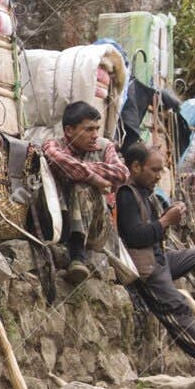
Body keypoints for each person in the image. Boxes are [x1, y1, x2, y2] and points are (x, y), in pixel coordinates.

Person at [116, 141, 195, 370]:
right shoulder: (127, 195)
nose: (159, 176)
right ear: (135, 167)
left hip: (159, 258)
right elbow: (134, 237)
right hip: (144, 266)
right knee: (176, 306)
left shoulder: (146, 194)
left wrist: (167, 219)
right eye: (154, 170)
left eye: (161, 170)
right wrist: (165, 221)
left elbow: (151, 231)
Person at [40, 101, 129, 284]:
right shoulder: (53, 145)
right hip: (60, 222)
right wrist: (95, 178)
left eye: (97, 129)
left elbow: (122, 174)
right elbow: (54, 157)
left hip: (96, 227)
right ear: (69, 130)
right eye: (88, 129)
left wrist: (82, 171)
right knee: (75, 185)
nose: (95, 135)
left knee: (80, 186)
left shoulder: (105, 146)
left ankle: (77, 257)